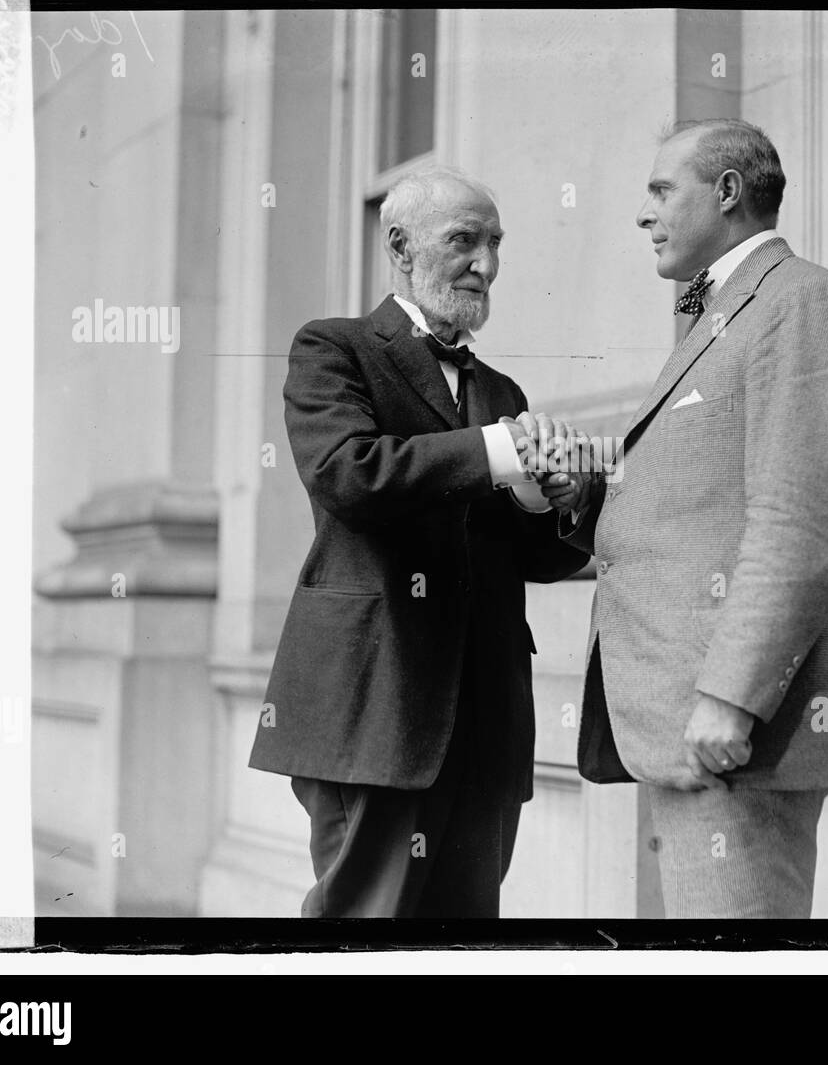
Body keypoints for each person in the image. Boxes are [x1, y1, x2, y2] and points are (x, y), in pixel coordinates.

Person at [536, 118, 828, 918]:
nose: (643, 214)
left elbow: (804, 522)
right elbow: (696, 504)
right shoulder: (723, 313)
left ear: (727, 192)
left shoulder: (802, 303)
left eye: (662, 190)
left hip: (739, 730)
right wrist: (581, 496)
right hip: (689, 720)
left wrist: (733, 696)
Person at [249, 167, 587, 918]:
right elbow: (347, 475)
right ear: (399, 246)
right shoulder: (333, 349)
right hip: (378, 707)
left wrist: (546, 502)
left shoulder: (503, 394)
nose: (487, 264)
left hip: (487, 720)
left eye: (496, 243)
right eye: (465, 240)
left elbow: (535, 557)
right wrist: (498, 454)